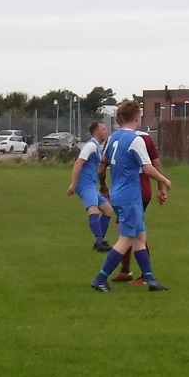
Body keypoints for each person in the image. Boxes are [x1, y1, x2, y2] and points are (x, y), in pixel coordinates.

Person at [90, 101, 172, 292]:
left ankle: (150, 280)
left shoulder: (113, 138)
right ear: (137, 117)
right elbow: (148, 167)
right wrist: (165, 181)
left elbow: (102, 166)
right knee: (126, 239)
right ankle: (100, 278)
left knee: (139, 237)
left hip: (117, 194)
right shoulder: (136, 140)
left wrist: (103, 185)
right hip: (130, 196)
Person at [113, 127, 165, 283]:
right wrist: (161, 188)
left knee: (133, 231)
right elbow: (157, 164)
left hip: (137, 190)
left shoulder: (119, 138)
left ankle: (142, 274)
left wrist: (162, 187)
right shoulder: (143, 138)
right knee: (129, 228)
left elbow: (154, 165)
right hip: (135, 190)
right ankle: (126, 270)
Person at [67, 120, 114, 252]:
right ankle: (100, 242)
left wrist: (101, 185)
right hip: (85, 184)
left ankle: (100, 241)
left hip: (91, 184)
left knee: (108, 210)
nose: (106, 132)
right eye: (104, 129)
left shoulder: (96, 147)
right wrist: (74, 184)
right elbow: (78, 163)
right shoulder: (91, 146)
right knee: (94, 210)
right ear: (96, 131)